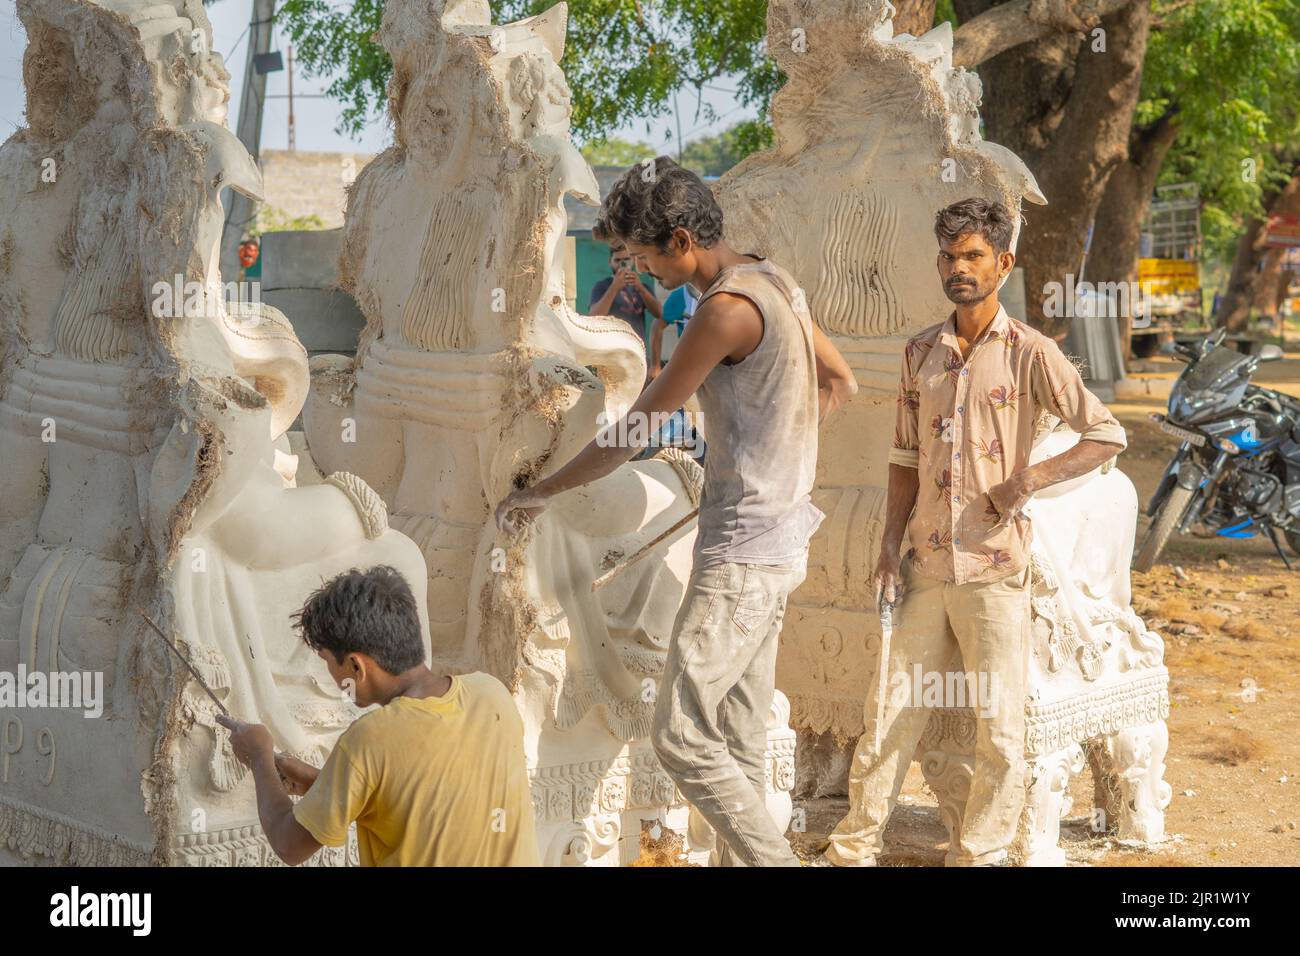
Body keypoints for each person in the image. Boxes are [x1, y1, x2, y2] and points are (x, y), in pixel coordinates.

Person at [496, 156, 858, 866]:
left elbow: (636, 430)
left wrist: (536, 494)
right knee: (740, 739)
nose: (644, 270)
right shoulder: (776, 280)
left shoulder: (723, 310)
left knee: (683, 736)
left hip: (743, 556)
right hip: (778, 542)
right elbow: (838, 383)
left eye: (644, 256)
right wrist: (771, 465)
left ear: (683, 240)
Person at [824, 197, 1128, 868]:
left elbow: (1107, 433)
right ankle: (851, 847)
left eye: (973, 256)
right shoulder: (920, 353)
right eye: (949, 256)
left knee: (998, 726)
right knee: (890, 715)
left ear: (1003, 263)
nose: (958, 268)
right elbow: (904, 458)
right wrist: (886, 546)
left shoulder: (1030, 354)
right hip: (923, 567)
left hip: (995, 568)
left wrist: (1028, 480)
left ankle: (982, 853)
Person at [219, 565, 539, 867]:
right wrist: (323, 784)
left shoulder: (369, 738)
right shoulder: (492, 694)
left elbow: (290, 845)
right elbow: (435, 801)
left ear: (357, 667)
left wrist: (259, 757)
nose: (330, 676)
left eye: (328, 662)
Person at [588, 241, 664, 346]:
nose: (622, 264)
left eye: (626, 260)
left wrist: (640, 288)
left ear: (633, 260)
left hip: (636, 348)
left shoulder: (642, 286)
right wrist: (614, 287)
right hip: (610, 348)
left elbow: (659, 313)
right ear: (610, 261)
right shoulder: (602, 286)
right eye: (617, 260)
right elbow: (594, 316)